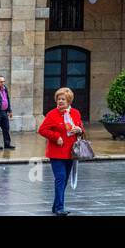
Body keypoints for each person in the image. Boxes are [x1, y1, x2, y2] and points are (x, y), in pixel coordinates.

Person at [37, 87, 83, 215]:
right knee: (60, 178)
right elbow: (42, 130)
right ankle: (59, 208)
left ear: (69, 100)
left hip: (71, 152)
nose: (60, 101)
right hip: (57, 153)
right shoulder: (52, 114)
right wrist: (56, 137)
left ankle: (56, 206)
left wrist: (79, 130)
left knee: (64, 180)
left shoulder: (75, 113)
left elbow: (81, 128)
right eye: (58, 99)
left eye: (63, 99)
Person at [0, 76, 15, 150]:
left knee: (6, 128)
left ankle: (7, 144)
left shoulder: (5, 89)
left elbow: (7, 99)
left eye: (3, 81)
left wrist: (10, 110)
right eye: (1, 82)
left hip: (4, 112)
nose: (3, 83)